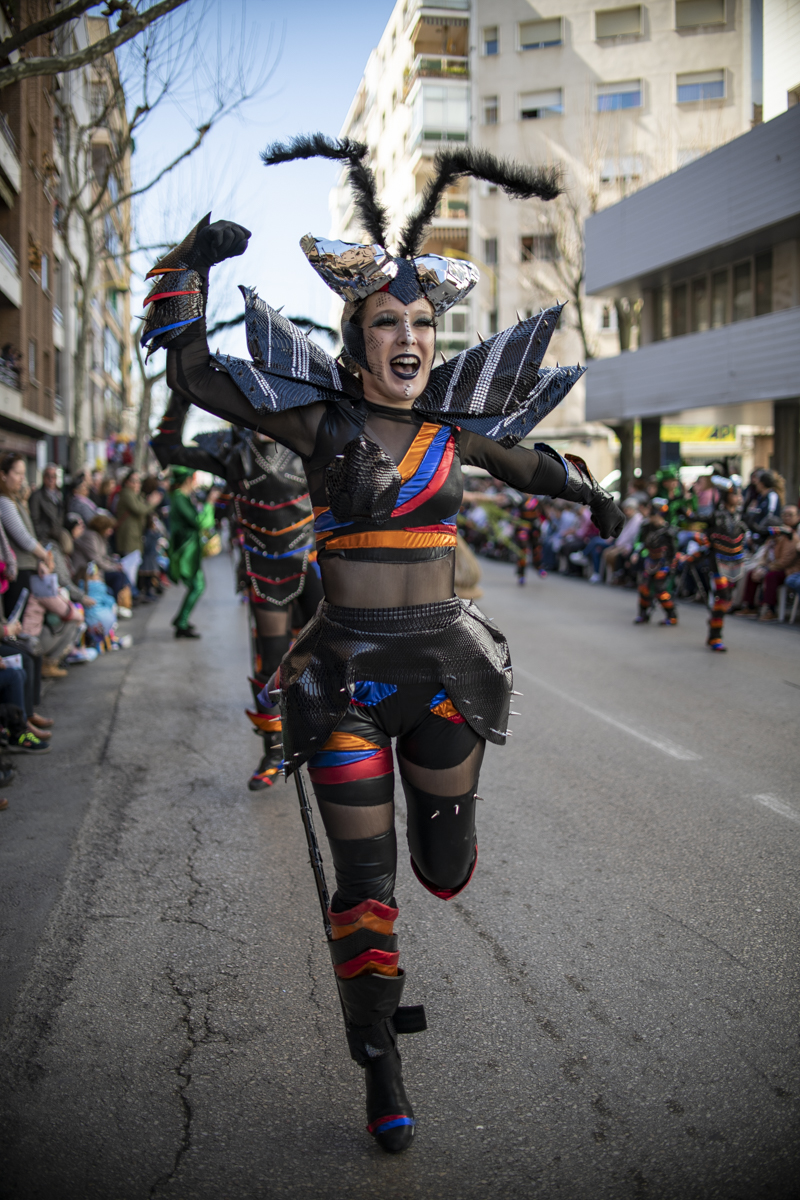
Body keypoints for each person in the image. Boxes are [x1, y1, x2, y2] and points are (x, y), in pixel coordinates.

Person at [142, 138, 623, 1153]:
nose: (406, 338)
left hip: (444, 676)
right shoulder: (318, 424)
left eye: (420, 322)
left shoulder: (453, 429)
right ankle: (380, 1063)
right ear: (354, 339)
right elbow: (193, 368)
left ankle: (446, 841)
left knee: (442, 870)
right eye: (384, 322)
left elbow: (529, 464)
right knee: (365, 893)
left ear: (433, 337)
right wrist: (189, 263)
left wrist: (592, 490)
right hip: (343, 681)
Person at [153, 392, 322, 789]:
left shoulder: (309, 441)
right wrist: (181, 396)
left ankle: (325, 734)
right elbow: (165, 448)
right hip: (265, 570)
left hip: (312, 561)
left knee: (333, 651)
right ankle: (274, 750)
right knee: (271, 663)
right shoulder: (231, 452)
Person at [167, 467, 218, 638]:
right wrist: (209, 504)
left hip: (189, 548)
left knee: (196, 585)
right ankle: (181, 622)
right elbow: (198, 522)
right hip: (185, 550)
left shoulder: (183, 497)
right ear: (188, 480)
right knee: (197, 585)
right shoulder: (180, 498)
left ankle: (181, 619)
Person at [0, 453, 55, 612]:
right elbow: (23, 537)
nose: (21, 479)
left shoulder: (13, 499)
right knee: (14, 617)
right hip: (18, 568)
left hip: (24, 566)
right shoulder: (4, 501)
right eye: (17, 473)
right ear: (3, 475)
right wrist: (44, 555)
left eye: (23, 474)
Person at [738, 506, 800, 621]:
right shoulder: (771, 538)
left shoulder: (791, 537)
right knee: (752, 572)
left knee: (771, 576)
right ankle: (750, 606)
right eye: (785, 514)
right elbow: (764, 556)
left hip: (788, 569)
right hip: (773, 567)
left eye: (790, 514)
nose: (787, 517)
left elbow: (785, 561)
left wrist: (767, 569)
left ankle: (770, 609)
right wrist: (761, 567)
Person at [632, 499, 678, 625]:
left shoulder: (669, 531)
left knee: (660, 590)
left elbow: (673, 550)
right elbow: (641, 543)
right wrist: (636, 553)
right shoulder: (646, 527)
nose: (652, 518)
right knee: (644, 588)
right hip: (650, 561)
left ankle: (671, 615)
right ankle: (643, 614)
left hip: (663, 563)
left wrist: (671, 564)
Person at [29, 463, 66, 548]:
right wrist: (41, 537)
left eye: (53, 477)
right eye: (48, 476)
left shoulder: (58, 495)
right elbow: (34, 519)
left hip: (56, 539)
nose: (51, 479)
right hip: (45, 540)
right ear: (43, 477)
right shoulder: (37, 496)